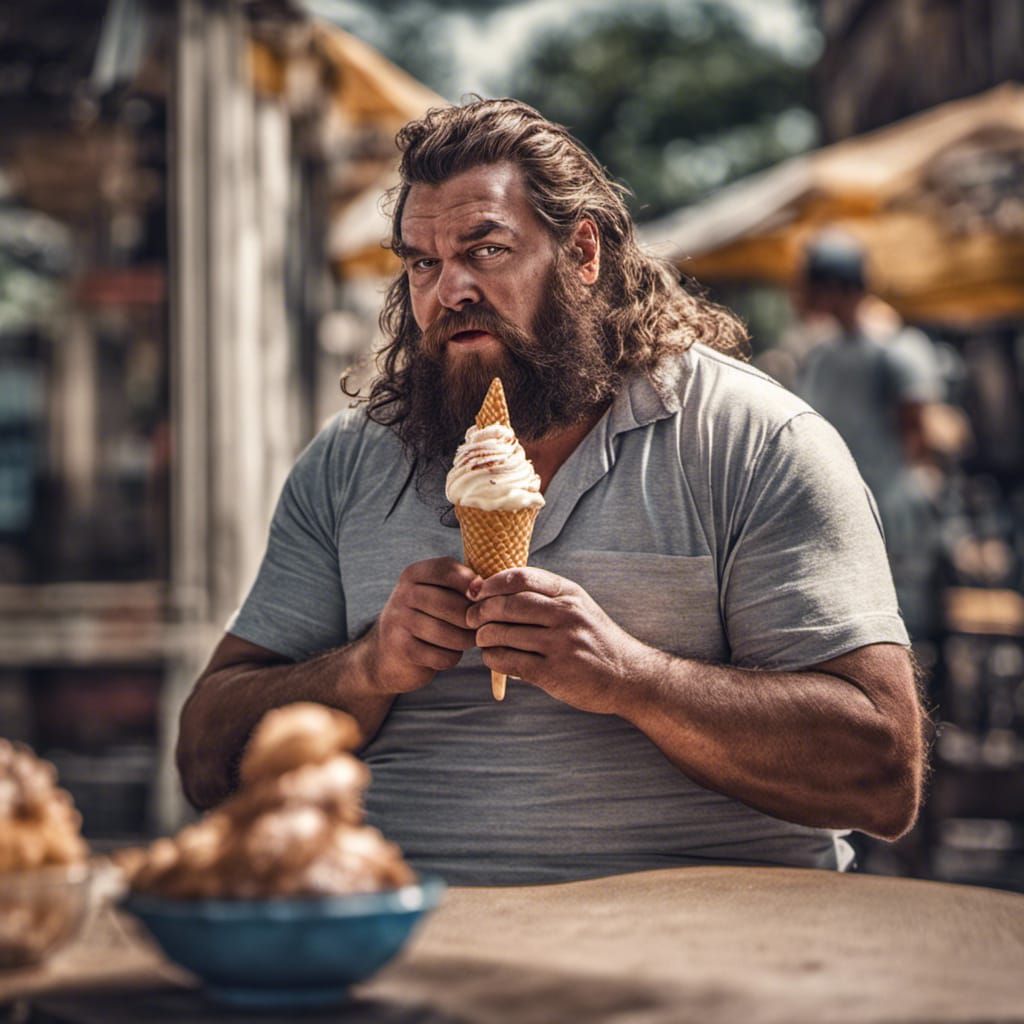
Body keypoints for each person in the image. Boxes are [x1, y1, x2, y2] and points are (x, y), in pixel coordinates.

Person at [176, 100, 925, 885]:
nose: (450, 289)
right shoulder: (350, 460)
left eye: (486, 249)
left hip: (703, 948)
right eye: (423, 263)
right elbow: (203, 761)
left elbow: (883, 778)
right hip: (399, 933)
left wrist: (635, 678)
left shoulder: (753, 442)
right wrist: (361, 670)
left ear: (584, 252)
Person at [793, 231, 944, 642]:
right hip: (840, 509)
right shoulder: (820, 355)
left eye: (810, 284)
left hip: (894, 511)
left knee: (906, 627)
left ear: (835, 288)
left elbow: (918, 431)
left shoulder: (897, 350)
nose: (801, 295)